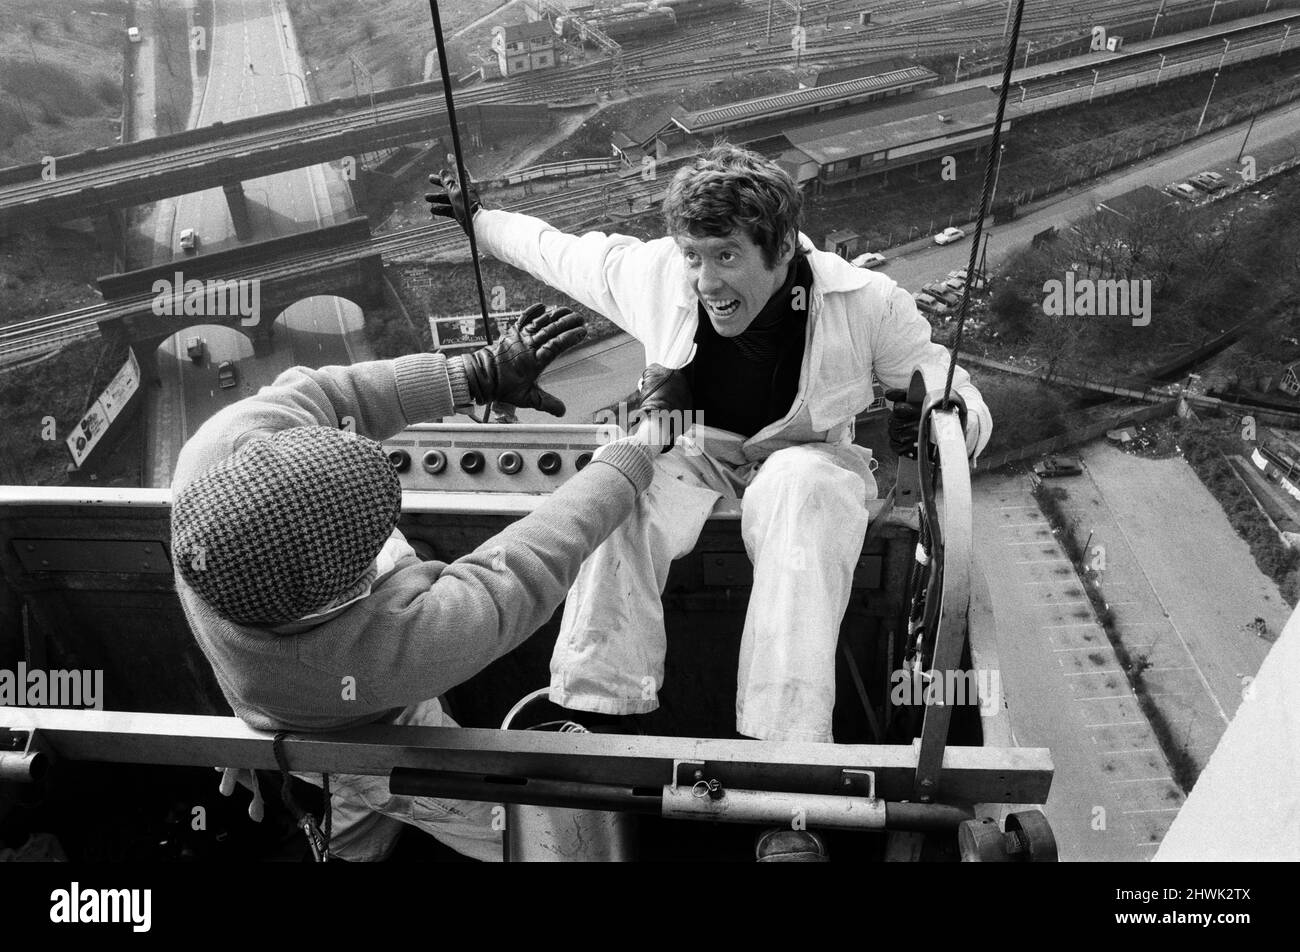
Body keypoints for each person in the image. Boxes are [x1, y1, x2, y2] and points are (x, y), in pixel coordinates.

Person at [427, 144, 992, 749]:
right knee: (623, 485)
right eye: (694, 255)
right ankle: (600, 710)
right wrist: (479, 218)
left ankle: (785, 746)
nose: (705, 282)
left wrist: (937, 422)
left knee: (803, 491)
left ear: (780, 247)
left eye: (726, 255)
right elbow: (554, 251)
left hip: (810, 458)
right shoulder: (656, 275)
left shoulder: (867, 304)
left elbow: (952, 390)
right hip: (696, 452)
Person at [169, 305, 667, 861]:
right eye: (378, 539)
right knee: (520, 836)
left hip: (293, 715)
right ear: (350, 591)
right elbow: (519, 573)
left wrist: (474, 373)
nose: (392, 534)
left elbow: (333, 398)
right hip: (378, 736)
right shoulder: (370, 654)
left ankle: (350, 845)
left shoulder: (215, 461)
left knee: (346, 813)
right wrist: (632, 455)